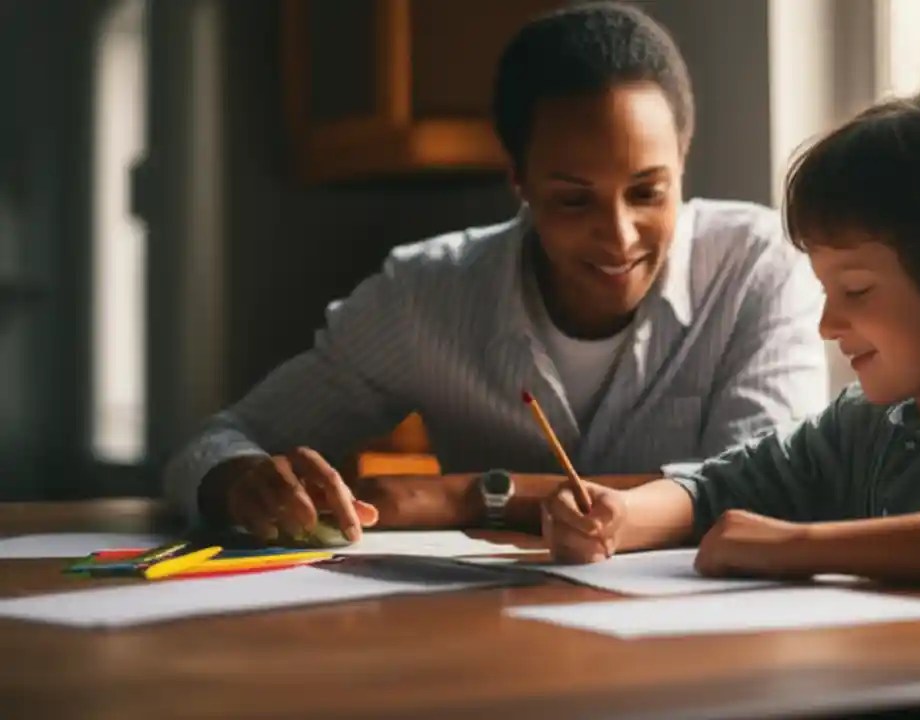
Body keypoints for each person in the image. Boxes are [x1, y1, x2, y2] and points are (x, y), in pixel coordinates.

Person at [161, 2, 828, 543]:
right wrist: (238, 480)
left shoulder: (758, 265)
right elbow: (213, 443)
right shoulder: (424, 295)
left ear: (683, 162)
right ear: (519, 180)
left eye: (650, 192)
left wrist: (469, 494)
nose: (620, 235)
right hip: (488, 640)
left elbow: (771, 490)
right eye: (573, 198)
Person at [539, 87, 920, 590]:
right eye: (826, 292)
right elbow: (720, 487)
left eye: (856, 291)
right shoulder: (867, 426)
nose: (827, 325)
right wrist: (621, 518)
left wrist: (803, 546)